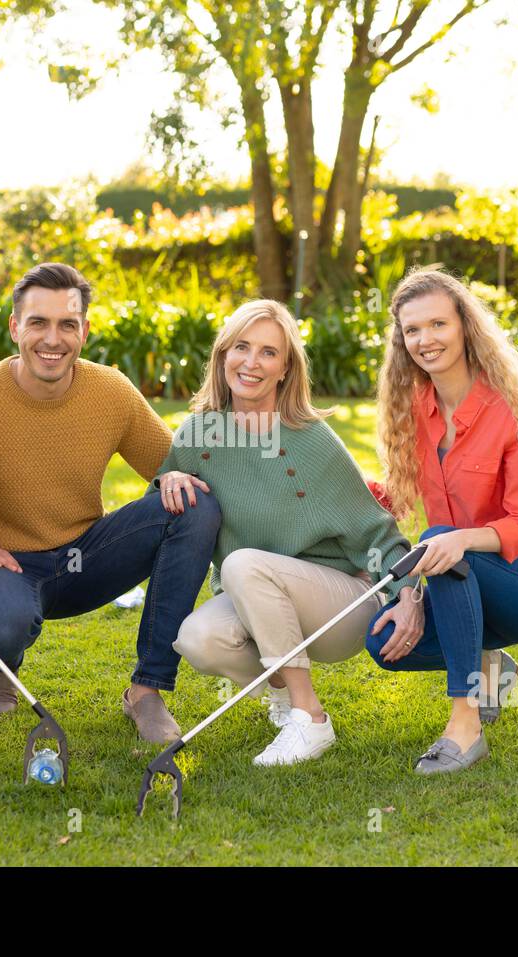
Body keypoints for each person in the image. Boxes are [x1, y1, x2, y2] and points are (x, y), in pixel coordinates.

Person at [0, 263, 219, 743]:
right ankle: (0, 660)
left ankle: (147, 689)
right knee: (2, 624)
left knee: (195, 502)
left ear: (85, 331)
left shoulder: (110, 390)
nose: (51, 339)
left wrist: (176, 473)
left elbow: (171, 463)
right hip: (3, 566)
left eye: (67, 324)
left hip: (85, 559)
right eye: (38, 322)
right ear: (15, 326)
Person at [162, 300, 416, 765]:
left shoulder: (309, 438)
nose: (251, 363)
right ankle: (281, 690)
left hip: (339, 607)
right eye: (241, 347)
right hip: (256, 600)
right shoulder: (198, 434)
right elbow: (164, 493)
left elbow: (377, 533)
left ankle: (310, 719)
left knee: (243, 564)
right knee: (198, 638)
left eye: (268, 353)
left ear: (285, 369)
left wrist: (409, 597)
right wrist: (168, 480)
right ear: (223, 356)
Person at [364, 266, 518, 774]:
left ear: (465, 327)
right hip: (456, 575)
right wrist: (412, 595)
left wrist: (458, 540)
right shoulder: (414, 409)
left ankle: (465, 726)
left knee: (443, 541)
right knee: (382, 641)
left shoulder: (507, 412)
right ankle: (489, 666)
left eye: (437, 324)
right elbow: (400, 499)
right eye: (411, 330)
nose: (424, 339)